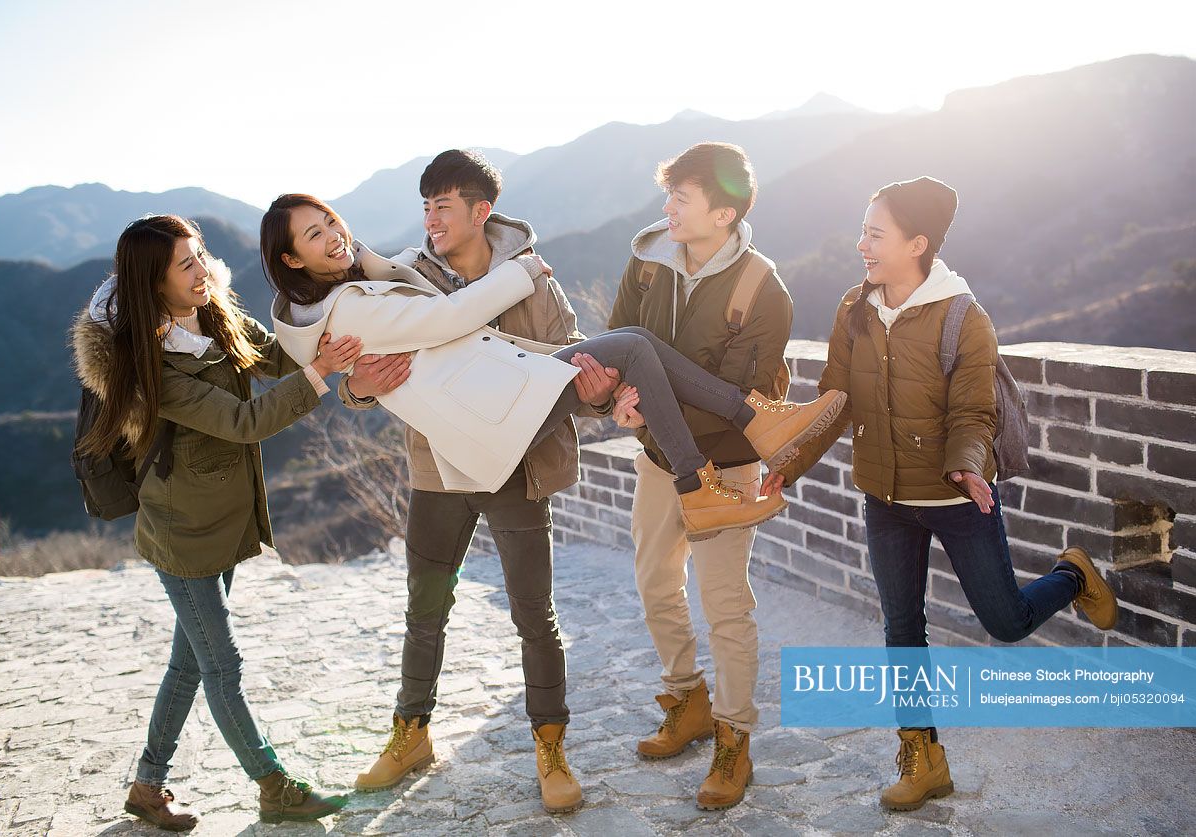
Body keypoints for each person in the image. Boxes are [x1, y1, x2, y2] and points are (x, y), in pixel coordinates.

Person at [260, 154, 843, 812]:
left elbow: (581, 365)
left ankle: (552, 746)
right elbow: (385, 361)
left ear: (481, 212)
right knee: (425, 612)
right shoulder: (409, 276)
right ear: (291, 260)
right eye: (422, 206)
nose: (427, 220)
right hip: (439, 466)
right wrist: (358, 383)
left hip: (518, 453)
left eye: (441, 206)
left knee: (536, 616)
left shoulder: (527, 284)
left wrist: (603, 395)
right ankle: (410, 733)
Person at [764, 176, 1120, 812]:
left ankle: (1072, 574)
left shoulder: (963, 317)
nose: (861, 244)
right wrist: (786, 466)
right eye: (863, 230)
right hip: (885, 500)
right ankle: (922, 754)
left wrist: (965, 467)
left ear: (917, 243)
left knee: (1006, 622)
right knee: (903, 627)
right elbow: (833, 401)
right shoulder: (856, 308)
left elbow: (975, 412)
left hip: (959, 500)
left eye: (876, 233)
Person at [72, 215, 358, 829]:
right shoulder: (149, 362)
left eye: (201, 255)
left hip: (222, 518)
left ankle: (147, 788)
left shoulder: (213, 312)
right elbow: (241, 421)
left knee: (189, 662)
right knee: (221, 666)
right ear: (154, 282)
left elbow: (269, 356)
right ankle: (273, 785)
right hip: (183, 533)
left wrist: (330, 343)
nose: (204, 270)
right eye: (187, 264)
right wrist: (319, 375)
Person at [605, 142, 802, 810]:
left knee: (724, 604)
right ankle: (686, 700)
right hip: (658, 456)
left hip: (729, 464)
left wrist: (645, 391)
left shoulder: (761, 288)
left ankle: (734, 737)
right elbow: (612, 344)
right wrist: (616, 400)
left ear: (723, 212)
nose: (667, 210)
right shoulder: (647, 260)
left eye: (681, 199)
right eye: (669, 196)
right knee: (655, 581)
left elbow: (740, 392)